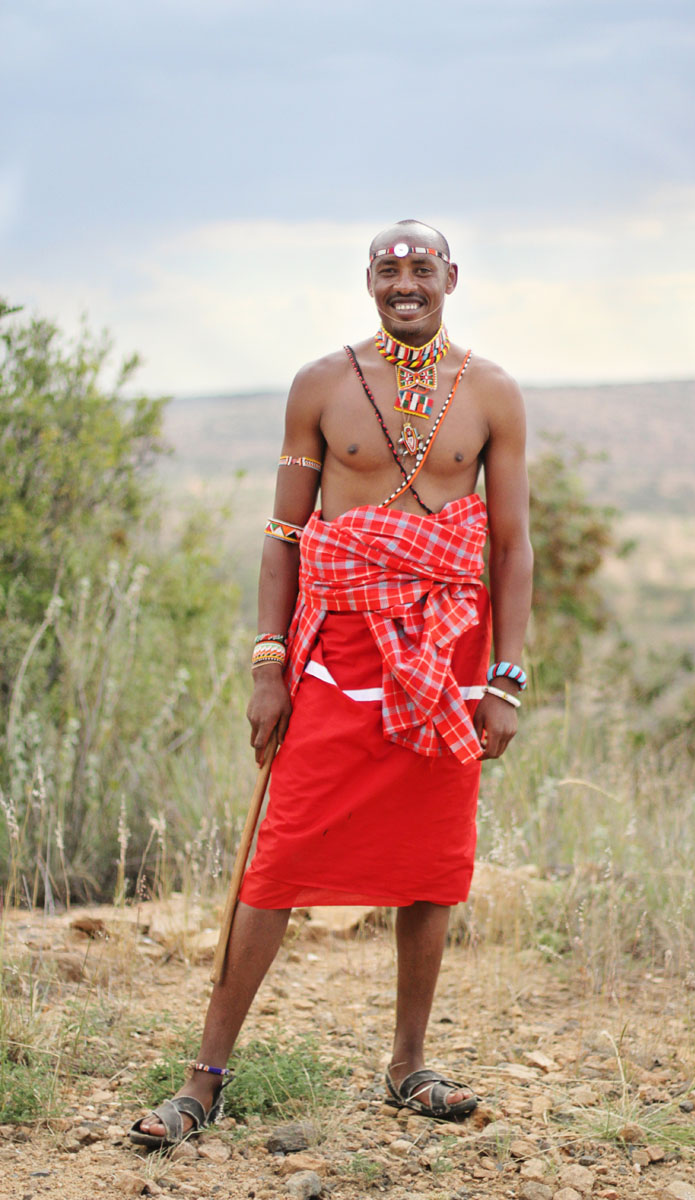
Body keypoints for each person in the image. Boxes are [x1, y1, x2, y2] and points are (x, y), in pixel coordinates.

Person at [130, 219, 533, 1148]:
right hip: (335, 657)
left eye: (420, 266)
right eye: (388, 267)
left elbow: (509, 549)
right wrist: (268, 666)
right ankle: (203, 1082)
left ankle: (407, 1065)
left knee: (431, 867)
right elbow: (284, 538)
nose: (405, 280)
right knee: (276, 862)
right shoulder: (320, 384)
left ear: (450, 277)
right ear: (367, 280)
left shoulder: (493, 392)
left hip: (446, 657)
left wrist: (504, 679)